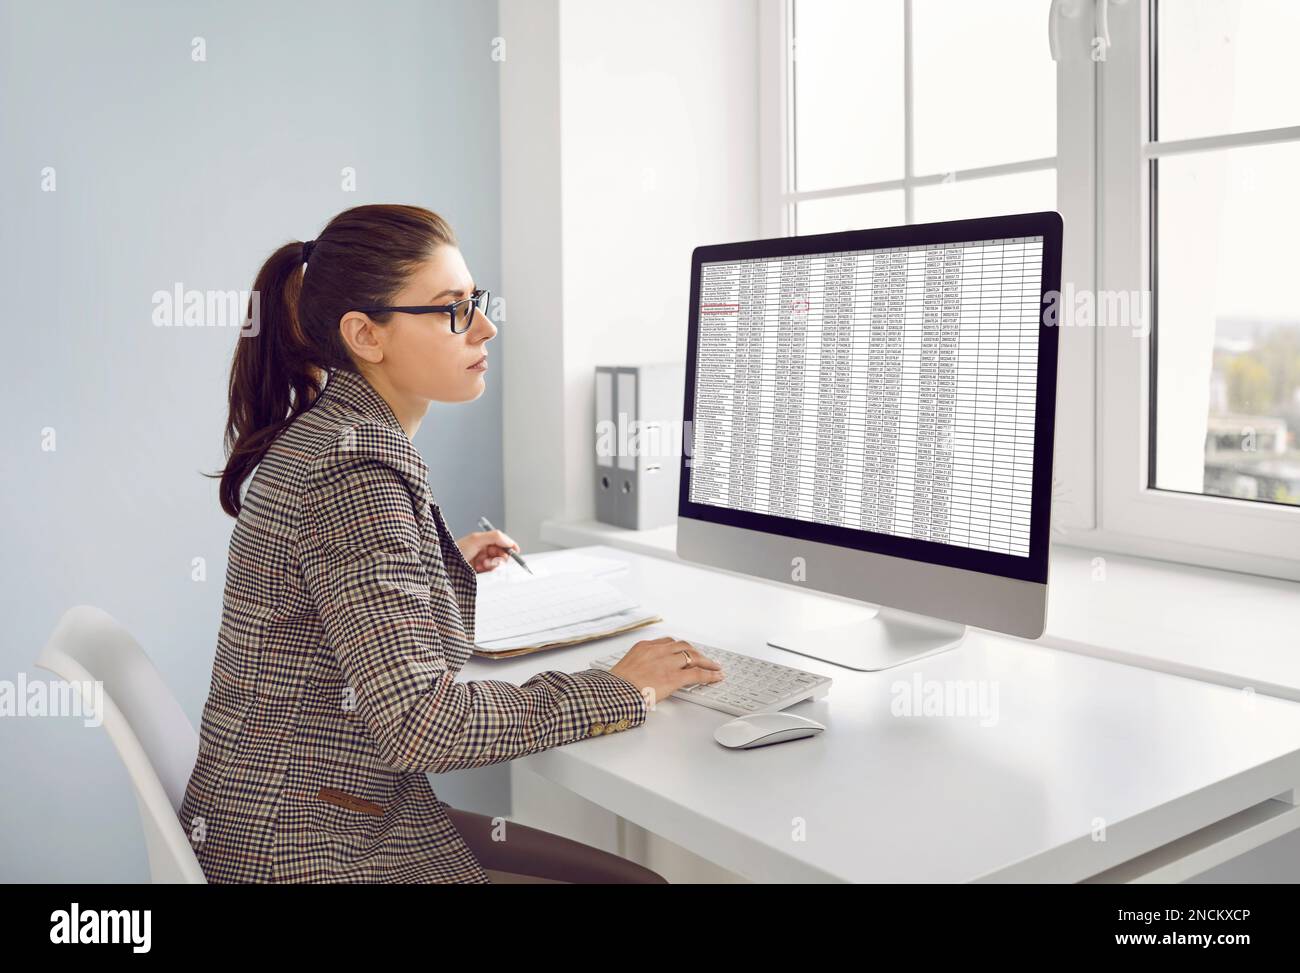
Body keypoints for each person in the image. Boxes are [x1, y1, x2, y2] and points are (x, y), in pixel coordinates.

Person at [179, 203, 724, 883]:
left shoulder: (332, 434)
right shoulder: (354, 472)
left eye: (477, 301)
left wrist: (431, 565)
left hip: (273, 814)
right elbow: (418, 723)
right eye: (452, 309)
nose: (486, 327)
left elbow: (333, 598)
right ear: (365, 335)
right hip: (309, 848)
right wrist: (616, 688)